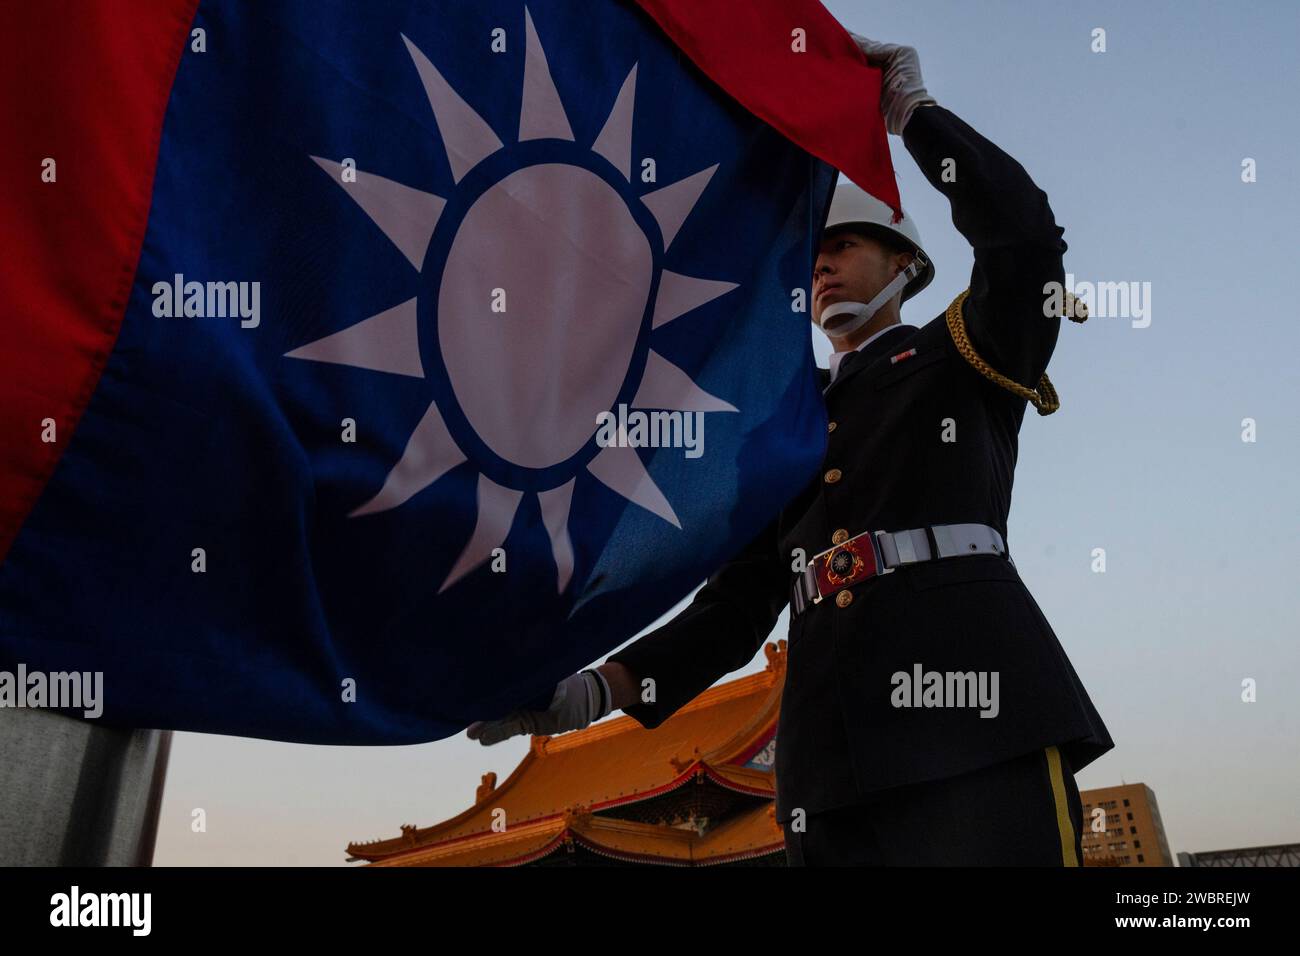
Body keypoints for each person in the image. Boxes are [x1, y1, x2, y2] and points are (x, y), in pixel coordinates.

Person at [468, 36, 1113, 866]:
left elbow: (1025, 244)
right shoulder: (785, 423)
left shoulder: (963, 353)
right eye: (811, 259)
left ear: (905, 262)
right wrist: (587, 695)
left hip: (975, 719)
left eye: (842, 247)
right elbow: (736, 608)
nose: (823, 270)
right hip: (828, 763)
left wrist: (914, 117)